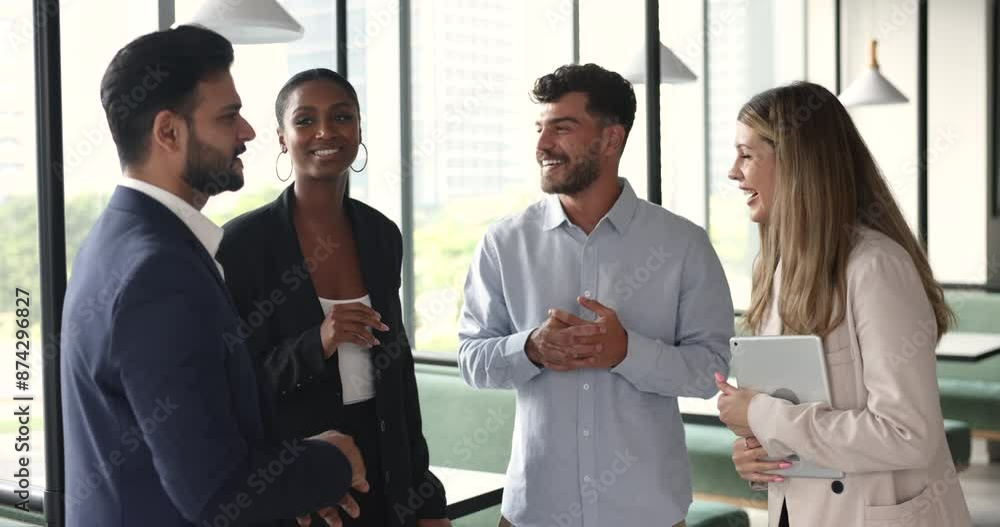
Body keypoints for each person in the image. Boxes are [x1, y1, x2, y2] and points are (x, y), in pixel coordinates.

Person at [60, 27, 367, 527]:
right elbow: (215, 492)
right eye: (228, 116)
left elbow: (197, 437)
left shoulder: (116, 239)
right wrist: (334, 463)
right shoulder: (160, 273)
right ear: (168, 132)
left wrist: (295, 477)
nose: (247, 131)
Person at [457, 63, 734, 527]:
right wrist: (530, 348)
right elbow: (471, 360)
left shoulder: (683, 244)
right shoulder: (504, 242)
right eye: (540, 128)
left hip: (648, 514)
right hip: (535, 512)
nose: (543, 145)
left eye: (562, 129)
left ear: (611, 139)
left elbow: (712, 371)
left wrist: (627, 352)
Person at [715, 81, 972, 527]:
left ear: (795, 162)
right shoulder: (773, 269)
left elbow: (907, 434)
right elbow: (799, 421)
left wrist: (760, 413)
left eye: (747, 155)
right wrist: (757, 454)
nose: (733, 172)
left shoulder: (875, 267)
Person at [217, 68, 450, 527]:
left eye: (341, 117)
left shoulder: (382, 234)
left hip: (387, 478)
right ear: (282, 138)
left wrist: (427, 499)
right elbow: (234, 389)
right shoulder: (241, 246)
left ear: (359, 129)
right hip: (298, 481)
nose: (325, 131)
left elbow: (399, 376)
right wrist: (317, 342)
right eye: (305, 120)